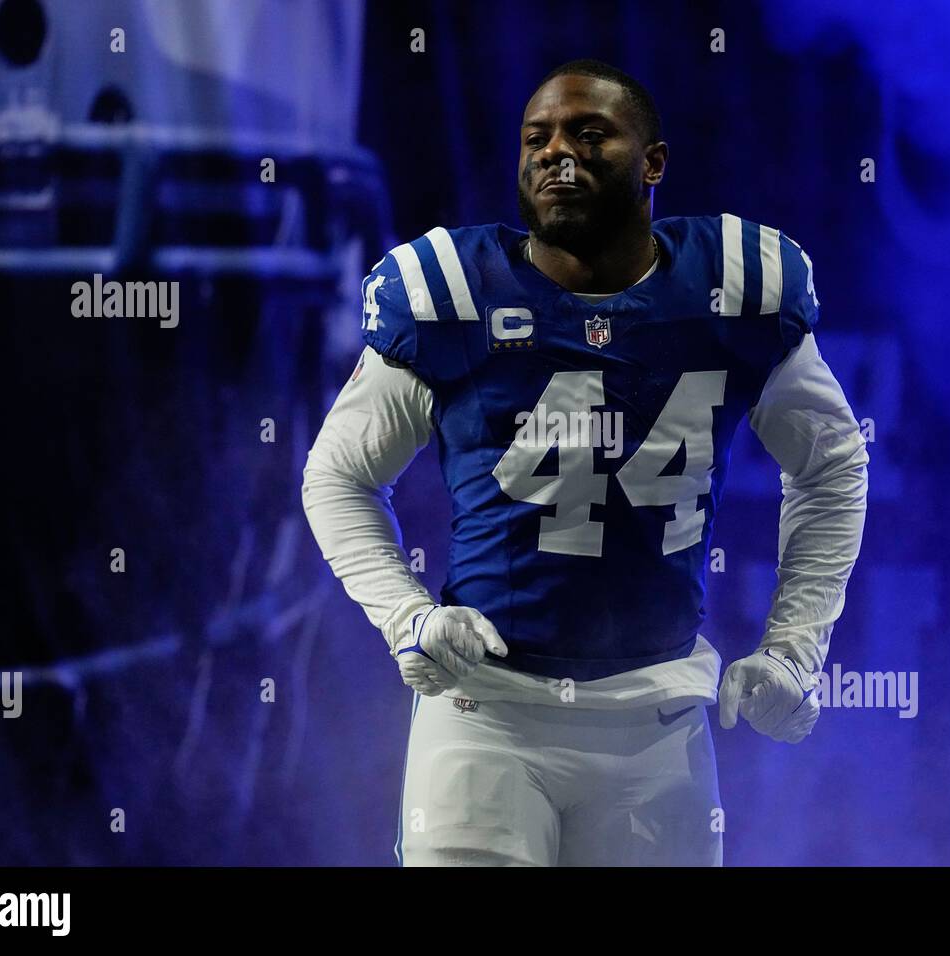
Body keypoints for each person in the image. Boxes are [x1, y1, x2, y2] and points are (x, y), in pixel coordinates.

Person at [302, 58, 869, 866]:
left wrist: (794, 648)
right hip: (486, 716)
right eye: (538, 137)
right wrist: (409, 616)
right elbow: (337, 474)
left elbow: (833, 467)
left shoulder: (735, 288)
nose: (556, 153)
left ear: (654, 163)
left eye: (589, 133)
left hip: (658, 722)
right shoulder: (452, 292)